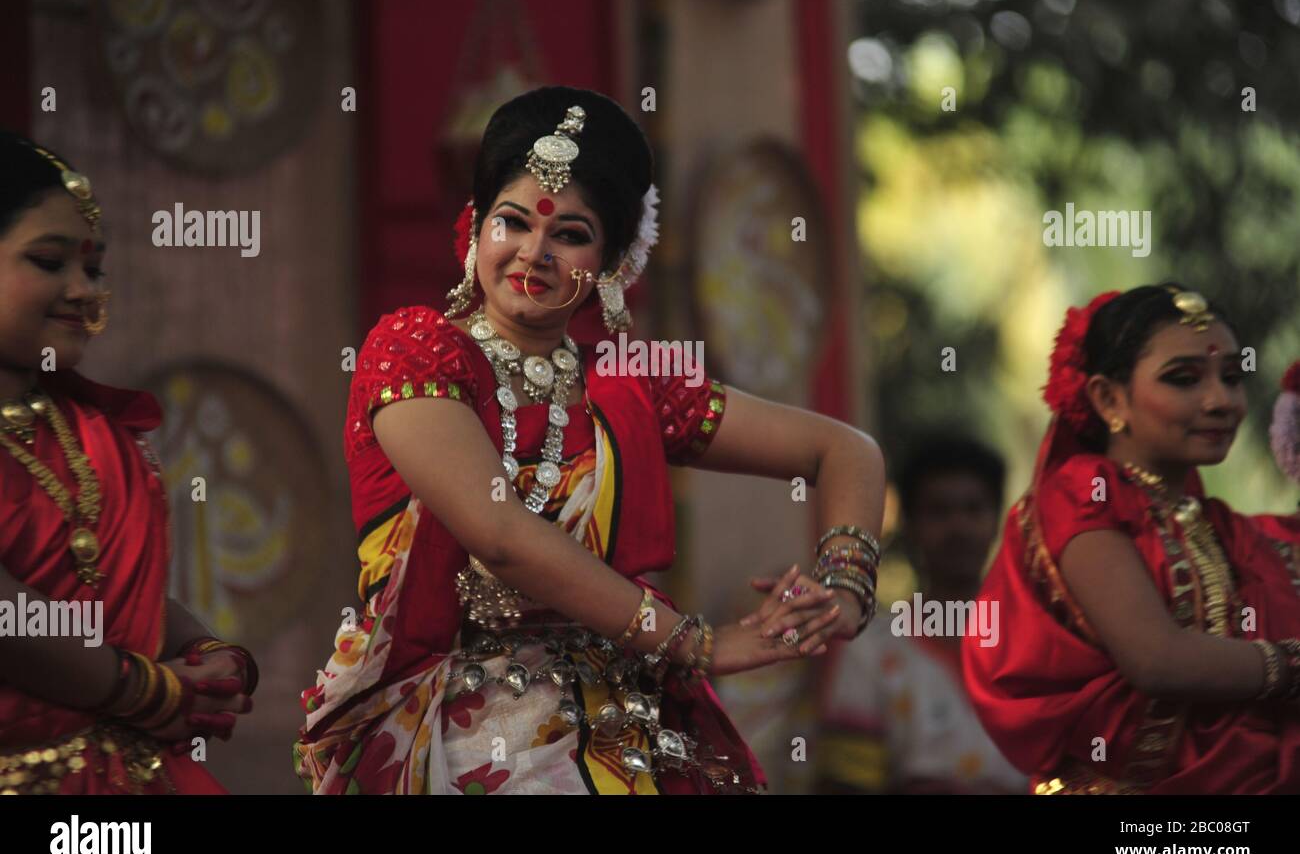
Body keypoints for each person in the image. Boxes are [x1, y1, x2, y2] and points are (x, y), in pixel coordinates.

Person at [293, 87, 886, 794]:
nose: (534, 252)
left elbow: (846, 451)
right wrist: (697, 641)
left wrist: (843, 588)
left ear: (610, 263)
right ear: (476, 224)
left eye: (570, 234)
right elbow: (498, 533)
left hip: (621, 724)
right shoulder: (416, 352)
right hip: (440, 725)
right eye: (511, 221)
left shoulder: (631, 384)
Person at [963, 284, 1300, 794]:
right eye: (1183, 379)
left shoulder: (1224, 528)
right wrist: (1291, 665)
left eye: (1232, 377)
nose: (1221, 401)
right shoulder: (1082, 497)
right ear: (1108, 398)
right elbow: (1157, 659)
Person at [0, 132, 258, 794]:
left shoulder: (90, 427)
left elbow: (113, 590)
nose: (83, 291)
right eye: (50, 261)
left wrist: (206, 655)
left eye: (94, 269)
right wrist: (148, 690)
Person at [817, 436, 1024, 793]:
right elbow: (845, 784)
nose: (958, 527)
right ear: (910, 525)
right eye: (939, 511)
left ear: (997, 522)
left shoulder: (1036, 643)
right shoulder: (871, 650)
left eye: (974, 509)